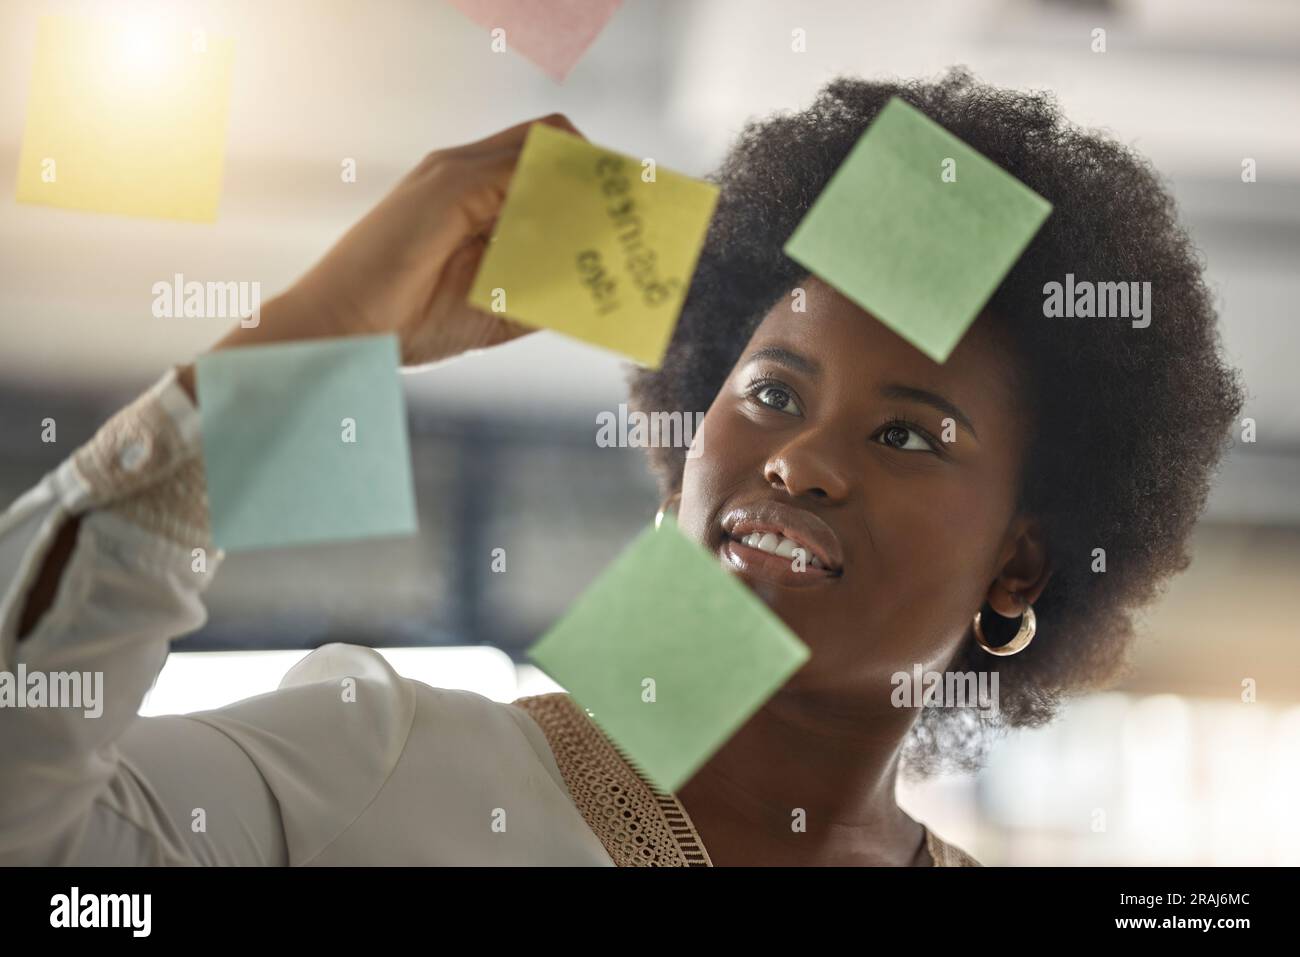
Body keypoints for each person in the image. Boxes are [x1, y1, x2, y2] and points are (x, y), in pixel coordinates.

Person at [0, 70, 1245, 866]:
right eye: (770, 393)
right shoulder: (385, 769)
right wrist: (316, 344)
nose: (801, 459)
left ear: (1019, 564)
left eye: (907, 434)